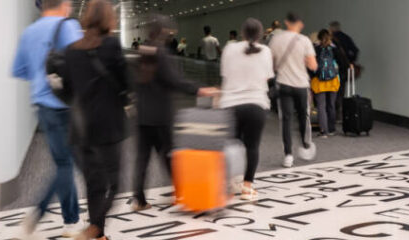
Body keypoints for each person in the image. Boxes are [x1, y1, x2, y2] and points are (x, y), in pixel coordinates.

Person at [10, 0, 83, 240]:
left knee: (64, 163)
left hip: (42, 106)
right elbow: (82, 61)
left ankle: (71, 221)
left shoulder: (29, 32)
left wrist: (42, 76)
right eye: (69, 7)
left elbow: (19, 70)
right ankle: (34, 218)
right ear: (64, 6)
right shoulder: (68, 27)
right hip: (65, 107)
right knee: (66, 165)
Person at [61, 0, 130, 240]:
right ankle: (90, 232)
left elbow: (67, 91)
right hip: (108, 126)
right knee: (114, 184)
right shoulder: (111, 45)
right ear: (108, 20)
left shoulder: (71, 50)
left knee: (94, 185)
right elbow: (125, 82)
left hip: (80, 128)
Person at [132, 16, 218, 211]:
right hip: (160, 115)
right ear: (163, 32)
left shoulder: (143, 50)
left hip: (143, 114)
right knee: (169, 155)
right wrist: (199, 89)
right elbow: (174, 80)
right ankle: (182, 193)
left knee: (142, 158)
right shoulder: (160, 53)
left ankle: (139, 199)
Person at [219, 18, 272, 202]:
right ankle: (247, 188)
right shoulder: (265, 51)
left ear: (242, 33)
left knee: (231, 144)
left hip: (230, 105)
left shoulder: (229, 48)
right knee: (252, 146)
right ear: (260, 34)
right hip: (256, 104)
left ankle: (230, 183)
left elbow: (225, 75)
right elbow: (267, 78)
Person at [269, 12, 317, 168]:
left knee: (286, 120)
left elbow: (272, 65)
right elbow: (313, 66)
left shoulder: (276, 40)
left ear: (286, 22)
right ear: (300, 24)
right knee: (303, 117)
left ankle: (288, 155)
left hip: (284, 85)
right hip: (301, 85)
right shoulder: (304, 40)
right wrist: (303, 61)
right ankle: (305, 145)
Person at [311, 28, 341, 138]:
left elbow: (311, 65)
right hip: (333, 80)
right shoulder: (335, 49)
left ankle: (324, 131)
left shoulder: (315, 49)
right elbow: (342, 62)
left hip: (319, 81)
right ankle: (332, 129)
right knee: (331, 105)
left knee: (321, 106)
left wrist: (311, 76)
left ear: (319, 38)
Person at [330, 21, 360, 128]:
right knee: (341, 91)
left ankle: (332, 115)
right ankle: (341, 115)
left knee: (332, 91)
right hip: (344, 69)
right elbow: (355, 50)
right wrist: (350, 61)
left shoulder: (331, 39)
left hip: (332, 69)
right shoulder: (346, 38)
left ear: (331, 29)